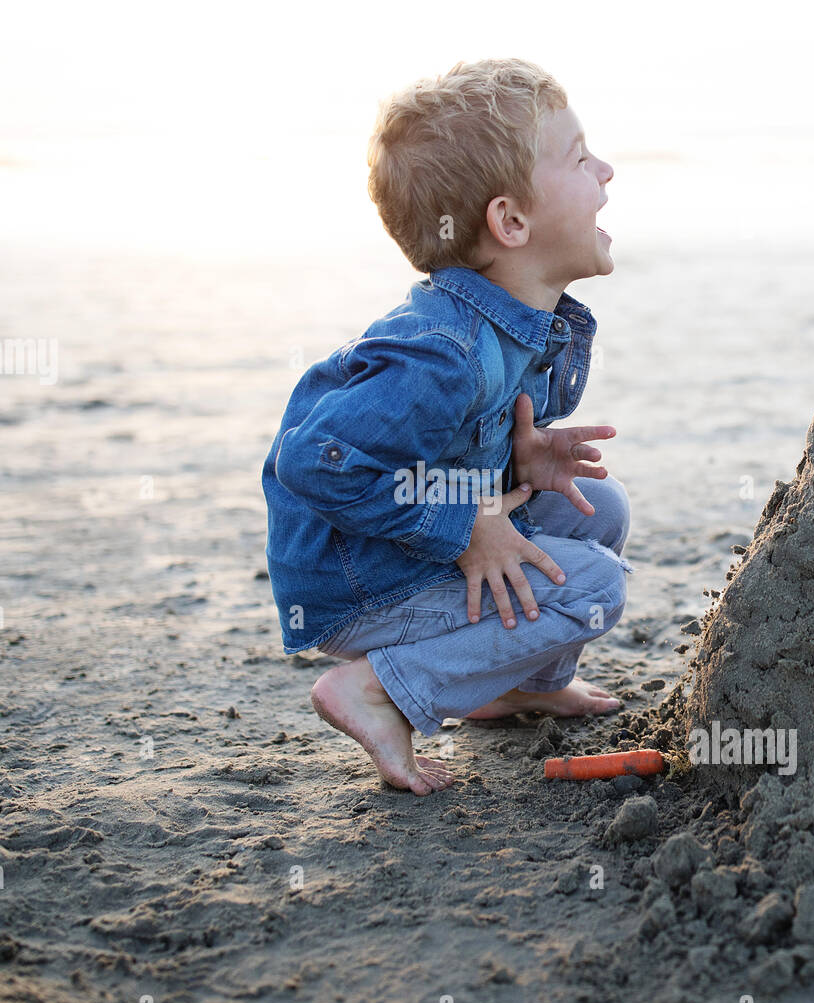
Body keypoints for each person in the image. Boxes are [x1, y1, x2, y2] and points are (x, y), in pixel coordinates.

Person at [261, 58, 632, 794]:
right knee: (595, 585)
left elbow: (430, 451)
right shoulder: (443, 354)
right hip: (361, 581)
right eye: (581, 157)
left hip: (398, 548)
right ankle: (380, 689)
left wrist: (514, 468)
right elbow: (316, 464)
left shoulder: (512, 325)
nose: (608, 170)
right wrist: (466, 526)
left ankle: (516, 685)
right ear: (511, 221)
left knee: (599, 510)